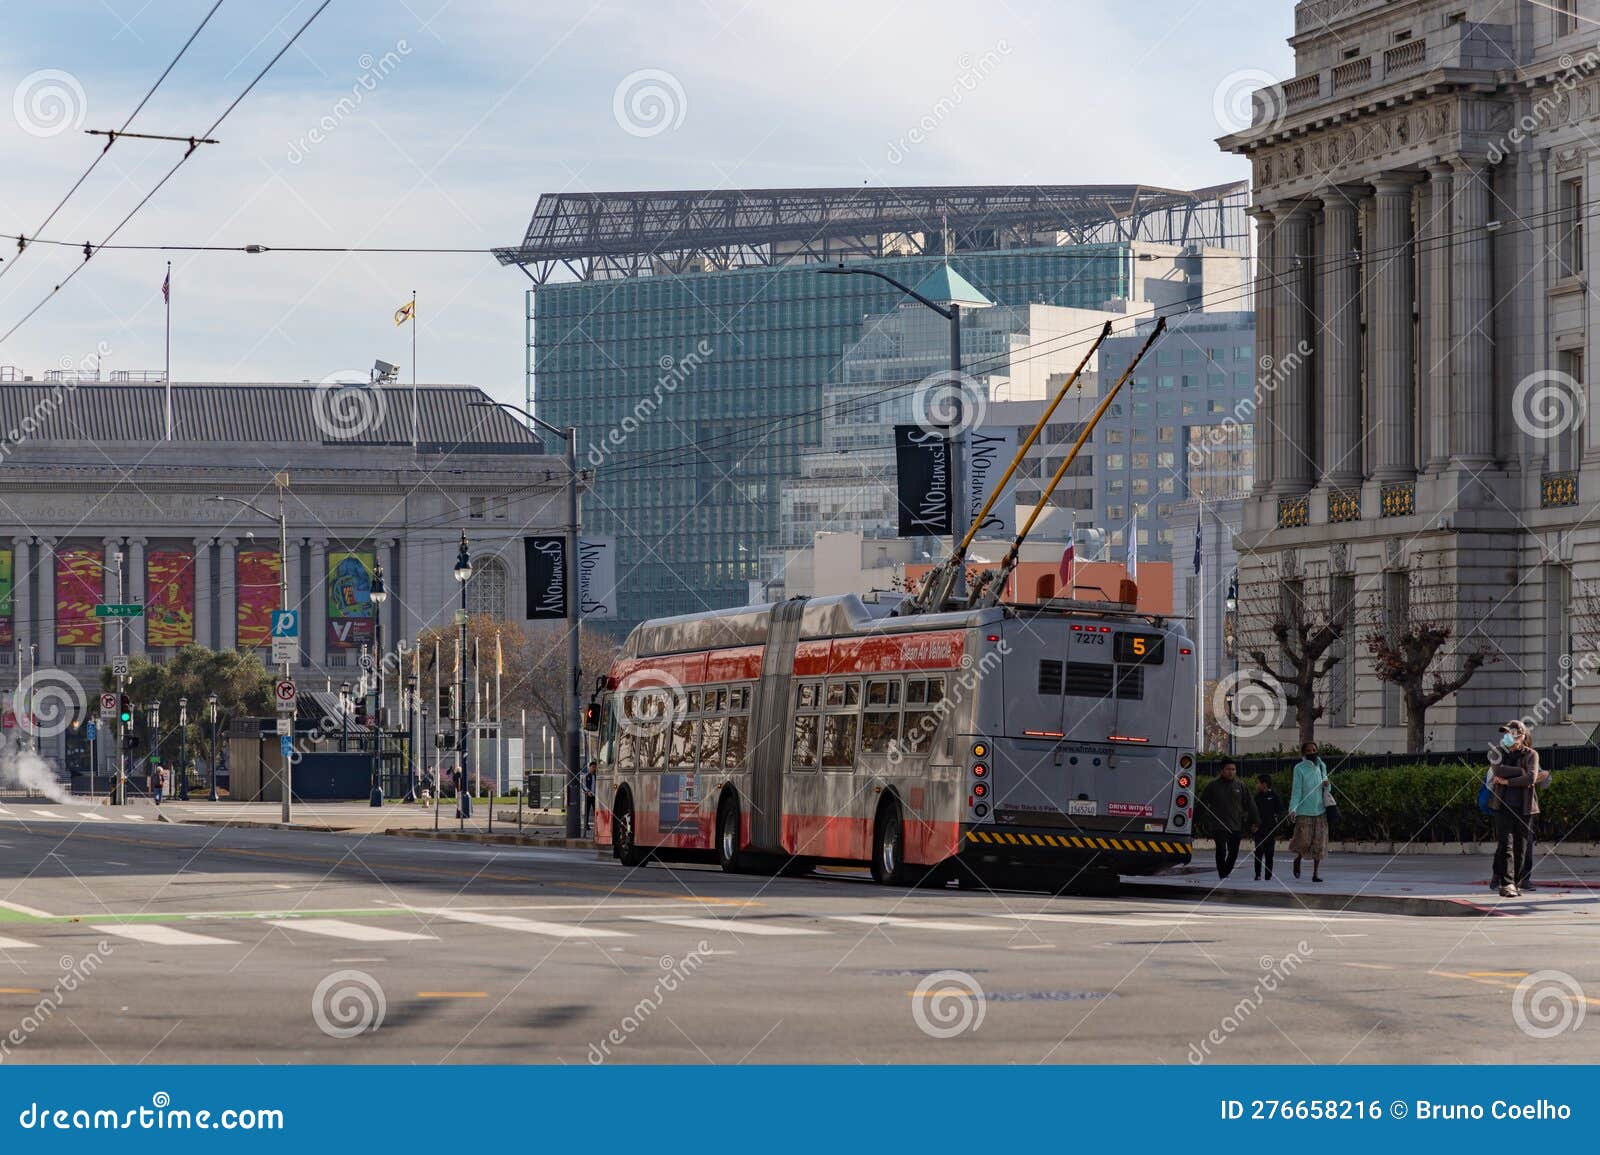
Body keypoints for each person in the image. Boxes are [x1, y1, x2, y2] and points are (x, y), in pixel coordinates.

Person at [1490, 720, 1541, 898]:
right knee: (1505, 845)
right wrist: (1520, 771)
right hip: (1502, 805)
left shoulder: (1531, 754)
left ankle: (1517, 882)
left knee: (1521, 847)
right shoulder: (1498, 752)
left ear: (1521, 736)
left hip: (1524, 807)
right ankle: (1506, 883)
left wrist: (1507, 781)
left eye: (1512, 733)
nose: (1508, 736)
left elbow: (1531, 778)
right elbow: (1497, 770)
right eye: (1506, 733)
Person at [1198, 760, 1258, 880]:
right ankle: (1222, 873)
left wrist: (1255, 821)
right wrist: (1196, 820)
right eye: (1228, 769)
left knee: (1233, 852)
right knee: (1221, 850)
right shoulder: (1213, 785)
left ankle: (1226, 870)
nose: (1231, 772)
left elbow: (1250, 804)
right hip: (1218, 825)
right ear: (1222, 770)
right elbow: (1202, 804)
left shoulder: (1240, 785)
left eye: (1233, 769)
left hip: (1236, 825)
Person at [1288, 741, 1329, 883]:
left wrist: (1326, 785)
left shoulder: (1322, 766)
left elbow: (1327, 788)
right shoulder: (1299, 768)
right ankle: (1298, 859)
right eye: (1309, 750)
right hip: (1304, 811)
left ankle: (1315, 874)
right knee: (1303, 842)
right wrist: (1293, 809)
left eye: (1314, 750)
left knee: (1319, 844)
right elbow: (1296, 791)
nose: (1312, 752)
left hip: (1320, 811)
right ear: (1304, 753)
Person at [1253, 773, 1284, 881]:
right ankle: (1257, 874)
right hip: (1259, 830)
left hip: (1271, 830)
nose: (1256, 785)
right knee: (1259, 851)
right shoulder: (1257, 797)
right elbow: (1253, 813)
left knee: (1269, 853)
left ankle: (1268, 875)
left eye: (1258, 783)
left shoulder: (1274, 796)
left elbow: (1280, 811)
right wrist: (1253, 825)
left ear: (1264, 784)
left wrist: (1278, 827)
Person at [583, 759, 597, 835]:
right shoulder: (586, 776)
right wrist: (588, 792)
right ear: (589, 767)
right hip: (588, 796)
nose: (594, 768)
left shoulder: (597, 776)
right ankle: (586, 825)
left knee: (596, 811)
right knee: (587, 811)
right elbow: (584, 785)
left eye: (595, 767)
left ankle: (597, 825)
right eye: (592, 767)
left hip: (595, 797)